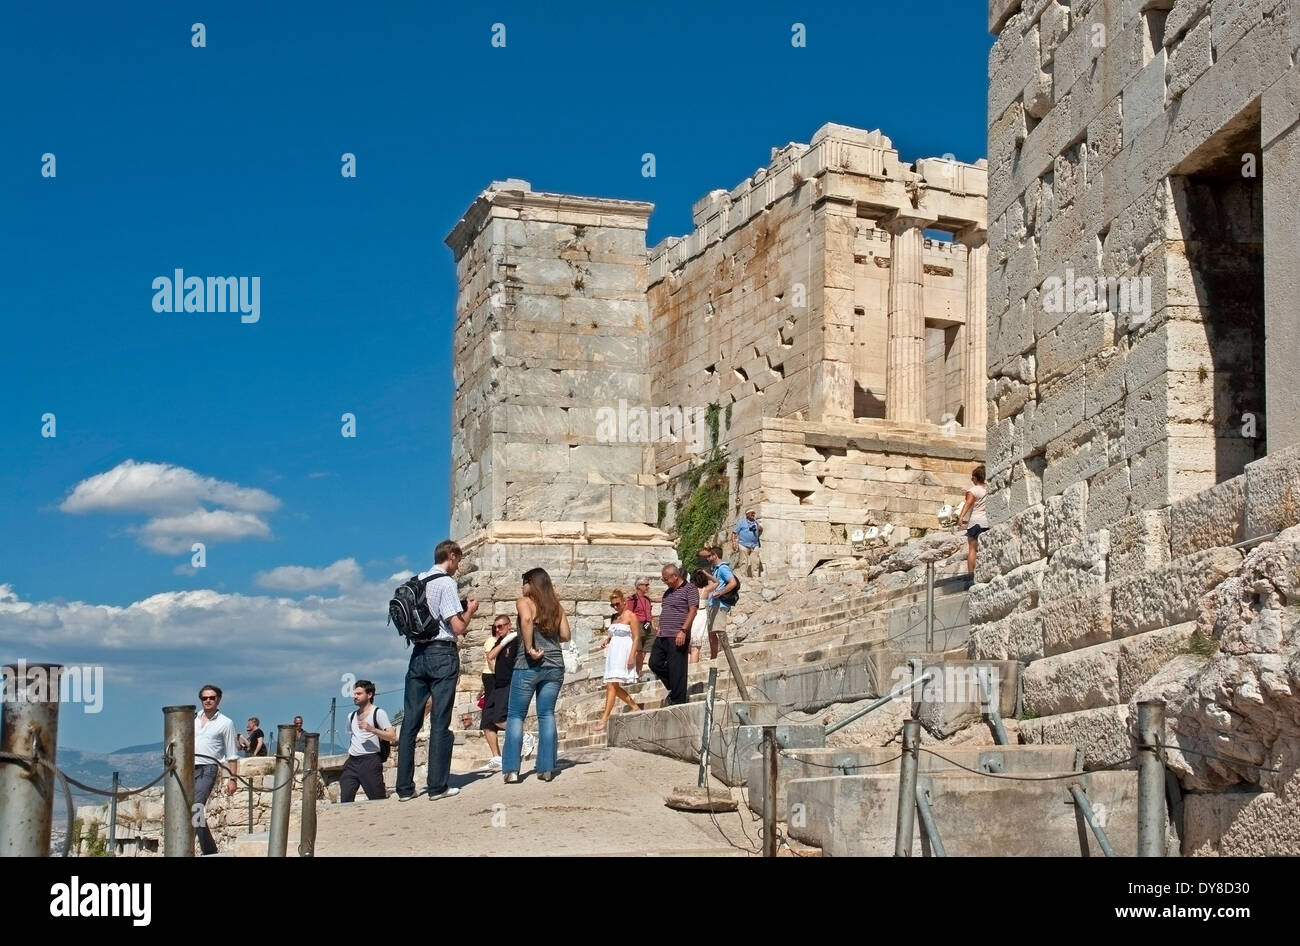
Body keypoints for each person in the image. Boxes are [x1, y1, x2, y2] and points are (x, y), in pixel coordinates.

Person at [395, 540, 479, 802]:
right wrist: (470, 612)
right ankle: (437, 787)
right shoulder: (446, 583)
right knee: (440, 720)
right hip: (441, 653)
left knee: (410, 722)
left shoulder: (418, 579)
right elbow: (457, 627)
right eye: (458, 560)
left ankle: (405, 789)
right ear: (451, 556)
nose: (458, 567)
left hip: (417, 654)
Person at [502, 568, 571, 783]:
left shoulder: (524, 601)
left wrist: (531, 647)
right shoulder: (556, 606)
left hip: (528, 665)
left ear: (532, 583)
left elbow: (527, 620)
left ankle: (512, 770)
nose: (522, 586)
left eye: (524, 582)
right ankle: (547, 768)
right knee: (546, 714)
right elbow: (566, 635)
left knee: (515, 715)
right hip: (554, 666)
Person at [193, 684, 240, 855]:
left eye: (212, 697)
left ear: (218, 699)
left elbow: (232, 754)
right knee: (188, 809)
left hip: (208, 769)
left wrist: (233, 779)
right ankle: (209, 849)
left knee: (195, 806)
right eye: (204, 698)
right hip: (188, 768)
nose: (208, 701)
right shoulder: (193, 719)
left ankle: (202, 850)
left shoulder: (225, 723)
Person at [591, 590, 642, 732]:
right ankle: (634, 706)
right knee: (612, 685)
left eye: (617, 604)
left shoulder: (631, 616)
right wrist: (607, 639)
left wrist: (632, 655)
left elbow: (636, 637)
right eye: (612, 605)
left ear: (624, 601)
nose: (615, 607)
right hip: (613, 653)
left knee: (611, 685)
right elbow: (613, 633)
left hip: (623, 652)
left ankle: (604, 719)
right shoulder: (615, 617)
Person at [649, 564, 697, 706]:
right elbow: (666, 611)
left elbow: (693, 610)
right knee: (654, 663)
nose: (665, 582)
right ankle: (674, 686)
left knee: (677, 668)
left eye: (666, 579)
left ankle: (677, 700)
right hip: (663, 634)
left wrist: (683, 630)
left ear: (675, 576)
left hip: (678, 634)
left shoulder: (690, 589)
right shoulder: (668, 592)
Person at [339, 680, 395, 802]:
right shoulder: (351, 716)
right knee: (345, 798)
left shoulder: (378, 713)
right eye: (355, 694)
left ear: (369, 695)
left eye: (359, 694)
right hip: (352, 761)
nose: (355, 696)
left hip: (370, 761)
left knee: (377, 800)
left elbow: (392, 736)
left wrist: (372, 729)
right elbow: (352, 734)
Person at [479, 615, 519, 771]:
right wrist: (503, 642)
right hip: (498, 683)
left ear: (509, 625)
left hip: (508, 682)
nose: (497, 629)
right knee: (489, 719)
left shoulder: (517, 640)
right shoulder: (500, 641)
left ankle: (524, 736)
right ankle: (497, 757)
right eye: (495, 627)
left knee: (498, 719)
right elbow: (490, 656)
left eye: (501, 626)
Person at [701, 545, 739, 657]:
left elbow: (733, 583)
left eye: (709, 556)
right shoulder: (716, 569)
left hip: (720, 604)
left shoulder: (723, 568)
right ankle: (715, 657)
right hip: (714, 603)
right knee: (712, 632)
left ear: (715, 556)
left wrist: (720, 592)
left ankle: (725, 656)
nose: (707, 558)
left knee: (719, 630)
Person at [957, 465, 989, 575]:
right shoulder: (989, 489)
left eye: (972, 477)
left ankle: (970, 575)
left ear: (975, 478)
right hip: (987, 522)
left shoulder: (973, 490)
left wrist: (961, 517)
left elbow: (969, 503)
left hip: (975, 523)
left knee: (972, 549)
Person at [628, 579, 654, 678]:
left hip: (647, 625)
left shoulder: (647, 599)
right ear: (639, 586)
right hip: (637, 625)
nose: (648, 587)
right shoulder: (632, 600)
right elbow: (629, 614)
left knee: (645, 651)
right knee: (638, 650)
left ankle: (638, 672)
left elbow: (649, 614)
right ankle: (634, 673)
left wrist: (652, 624)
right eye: (646, 585)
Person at [687, 570, 714, 664]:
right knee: (696, 648)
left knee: (689, 648)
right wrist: (706, 573)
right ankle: (693, 671)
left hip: (689, 615)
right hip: (700, 616)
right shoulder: (705, 590)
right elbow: (717, 582)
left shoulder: (689, 590)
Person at [731, 509, 763, 577]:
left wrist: (760, 530)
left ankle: (755, 577)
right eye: (752, 513)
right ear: (747, 514)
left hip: (754, 545)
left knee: (755, 562)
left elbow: (760, 531)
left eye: (754, 513)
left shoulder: (756, 522)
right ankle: (743, 577)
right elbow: (734, 532)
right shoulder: (741, 522)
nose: (753, 514)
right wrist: (734, 543)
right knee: (743, 561)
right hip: (743, 544)